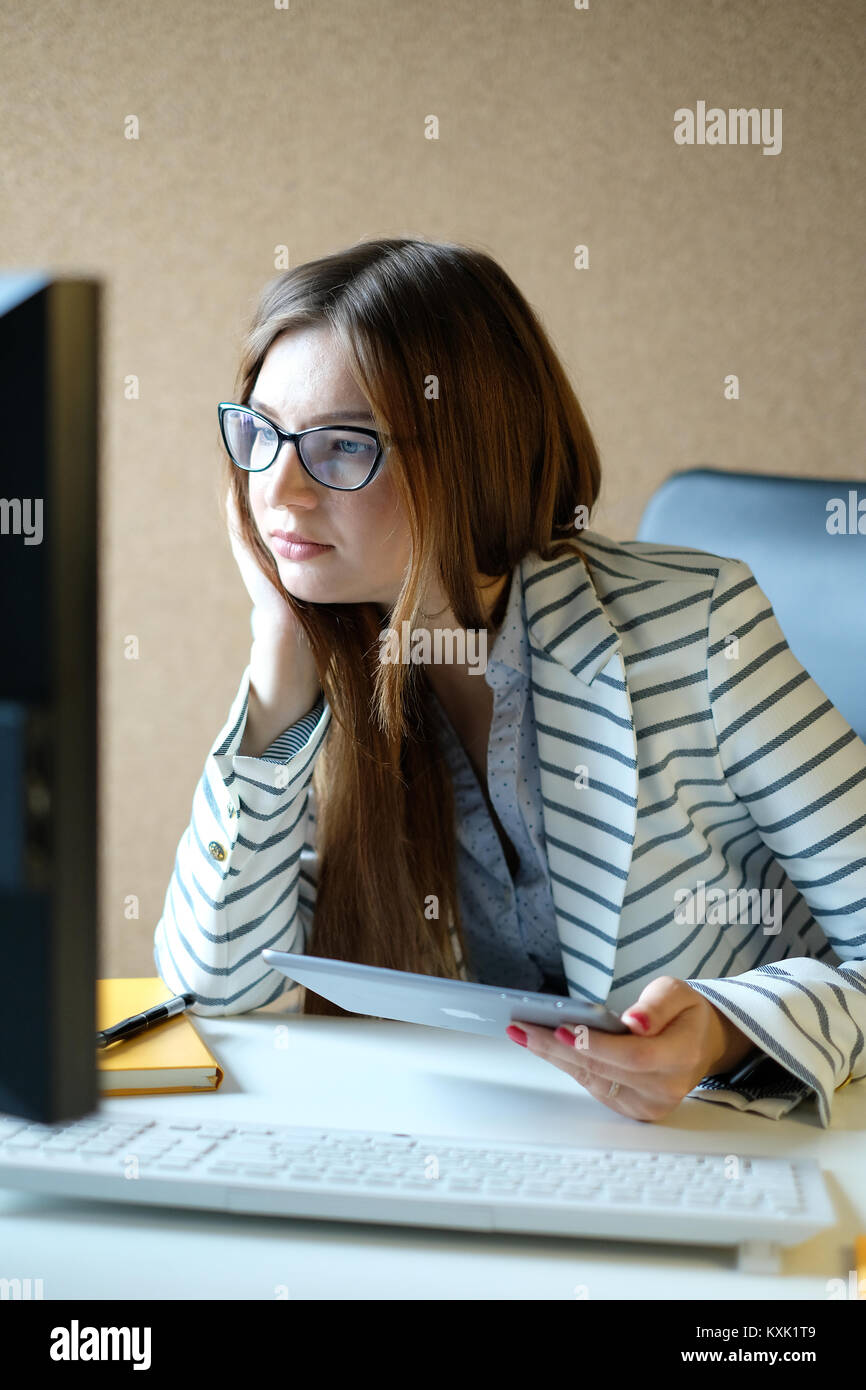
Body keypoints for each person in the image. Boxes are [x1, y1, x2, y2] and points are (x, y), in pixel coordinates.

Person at [154, 236, 866, 1126]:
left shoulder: (698, 627)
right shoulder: (335, 662)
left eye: (341, 448)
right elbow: (219, 995)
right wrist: (275, 648)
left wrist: (725, 1034)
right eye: (262, 435)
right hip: (518, 1144)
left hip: (730, 1145)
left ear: (471, 454)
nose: (282, 491)